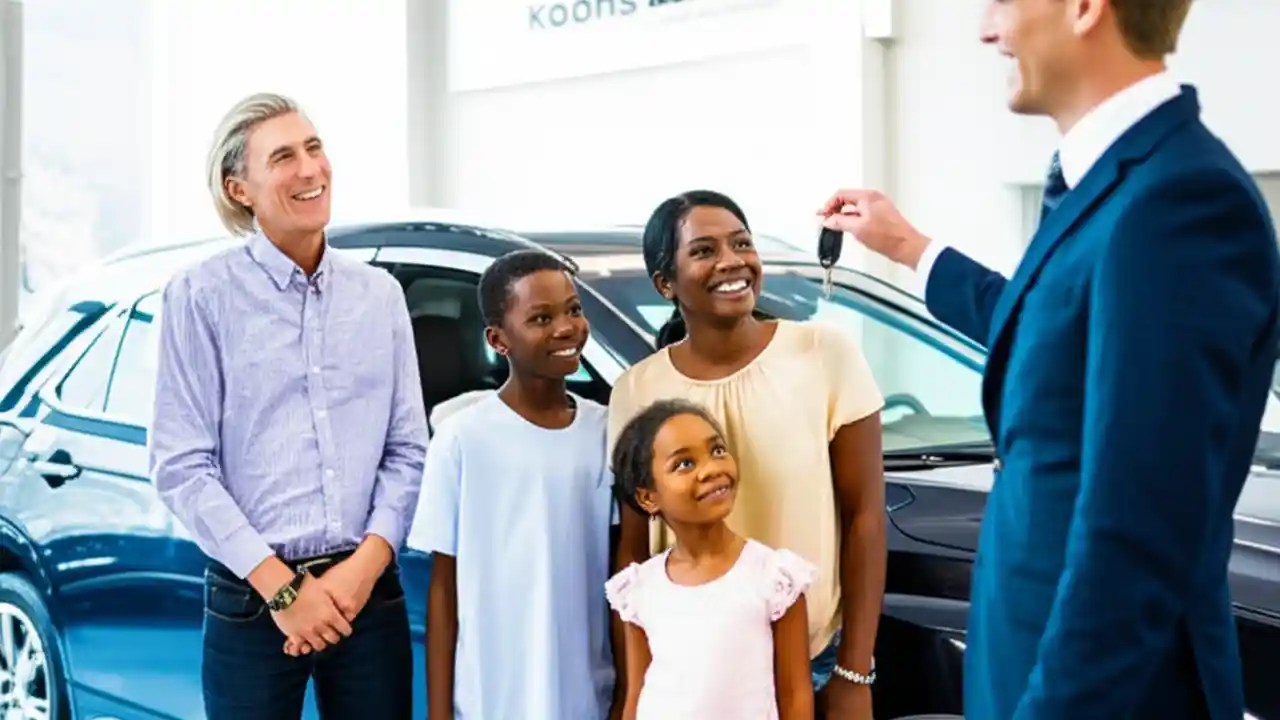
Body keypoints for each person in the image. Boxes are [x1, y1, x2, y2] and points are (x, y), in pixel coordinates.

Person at [818, 2, 1280, 718]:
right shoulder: (1118, 187)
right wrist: (911, 248)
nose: (985, 29)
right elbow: (1049, 333)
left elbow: (1136, 538)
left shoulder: (1180, 203)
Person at [150, 92, 427, 719]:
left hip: (368, 596)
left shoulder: (378, 297)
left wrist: (358, 575)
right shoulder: (199, 297)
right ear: (238, 189)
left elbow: (408, 447)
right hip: (251, 601)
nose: (310, 169)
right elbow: (181, 466)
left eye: (314, 147)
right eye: (282, 157)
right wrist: (284, 593)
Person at [610, 190, 886, 718]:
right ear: (666, 284)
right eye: (705, 250)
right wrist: (634, 690)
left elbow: (866, 520)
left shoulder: (824, 355)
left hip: (815, 661)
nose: (732, 261)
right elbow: (634, 546)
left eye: (741, 243)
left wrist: (855, 671)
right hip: (693, 673)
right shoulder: (636, 390)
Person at [407, 249, 620, 719]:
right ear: (498, 339)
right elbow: (443, 591)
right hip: (492, 696)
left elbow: (622, 577)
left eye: (573, 310)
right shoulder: (463, 438)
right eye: (541, 318)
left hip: (586, 692)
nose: (566, 327)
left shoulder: (606, 431)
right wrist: (440, 713)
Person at [606, 398, 817, 719]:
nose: (712, 469)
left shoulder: (773, 577)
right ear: (649, 498)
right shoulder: (638, 589)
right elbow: (636, 694)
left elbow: (795, 696)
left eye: (717, 450)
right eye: (684, 464)